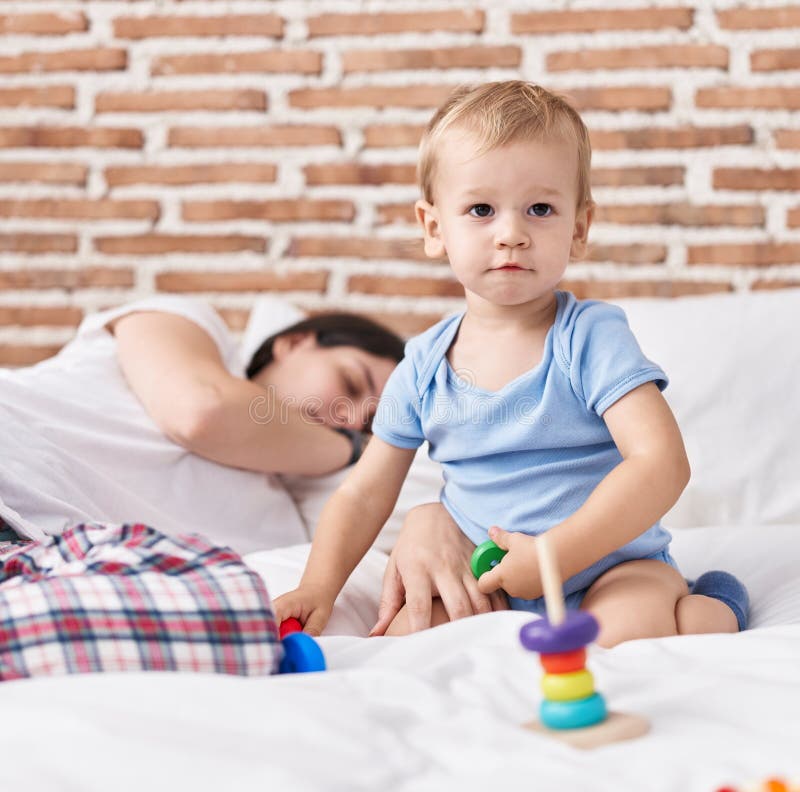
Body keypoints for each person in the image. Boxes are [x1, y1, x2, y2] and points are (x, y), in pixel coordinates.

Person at [274, 80, 749, 647]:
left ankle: (714, 603)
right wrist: (319, 586)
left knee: (620, 637)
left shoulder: (589, 338)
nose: (512, 234)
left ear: (578, 229)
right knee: (411, 643)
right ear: (434, 229)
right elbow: (363, 493)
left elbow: (661, 463)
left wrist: (554, 555)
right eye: (481, 209)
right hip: (492, 577)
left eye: (540, 209)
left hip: (610, 565)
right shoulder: (423, 366)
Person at [0, 295, 404, 553]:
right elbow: (201, 413)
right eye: (352, 385)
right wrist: (356, 448)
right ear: (295, 342)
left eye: (369, 422)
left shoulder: (281, 533)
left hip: (34, 559)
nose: (351, 419)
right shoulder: (186, 323)